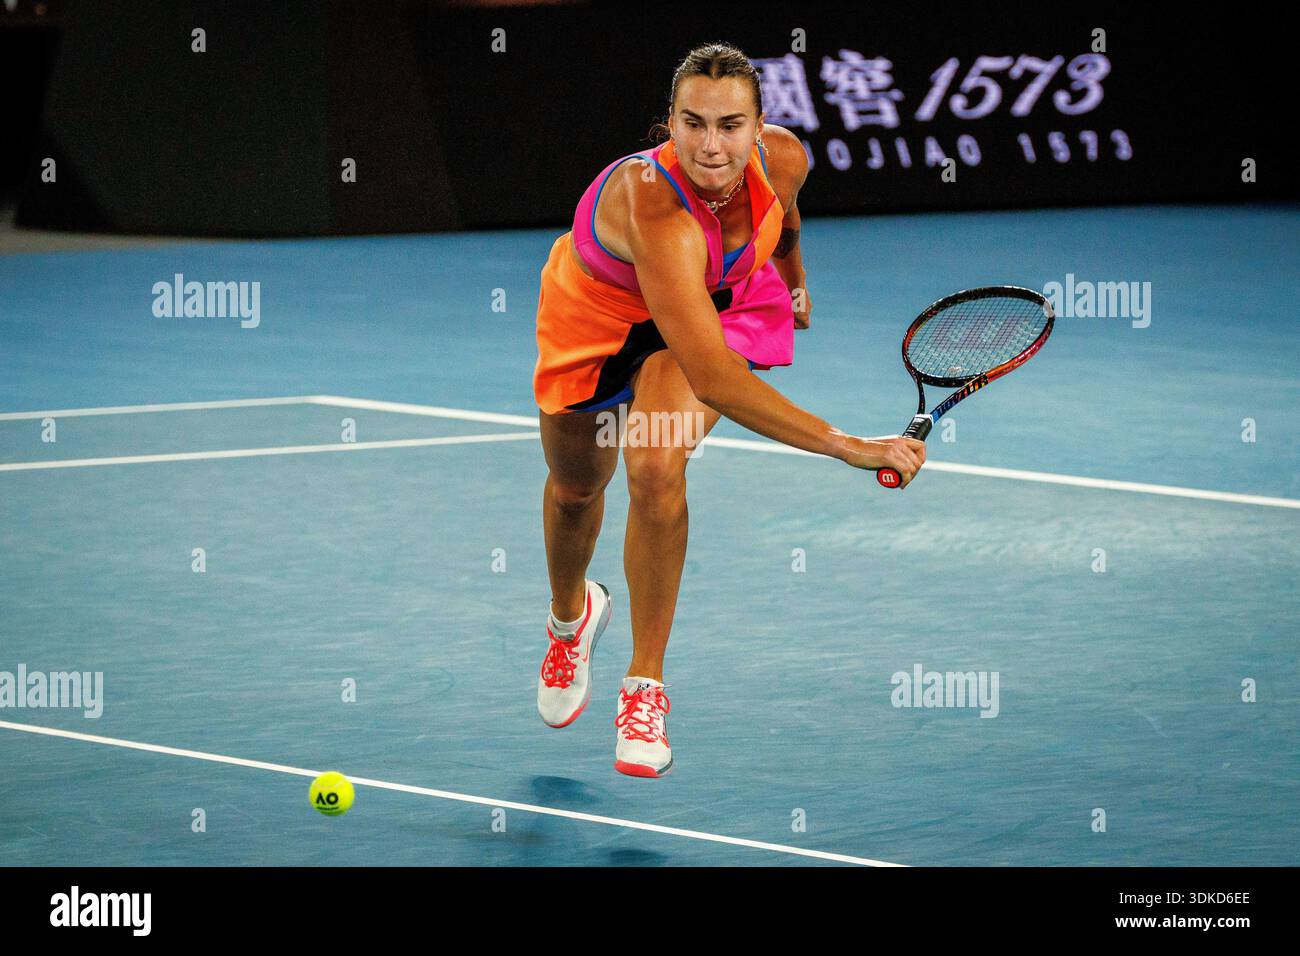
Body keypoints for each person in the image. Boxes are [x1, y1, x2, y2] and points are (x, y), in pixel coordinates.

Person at [532, 42, 925, 778]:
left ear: (759, 126)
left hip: (711, 310)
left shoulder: (782, 160)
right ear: (668, 127)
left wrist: (794, 277)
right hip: (599, 323)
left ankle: (644, 683)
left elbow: (789, 222)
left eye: (731, 124)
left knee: (654, 462)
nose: (713, 144)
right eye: (693, 123)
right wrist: (848, 445)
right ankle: (568, 619)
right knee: (577, 488)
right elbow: (717, 379)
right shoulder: (653, 208)